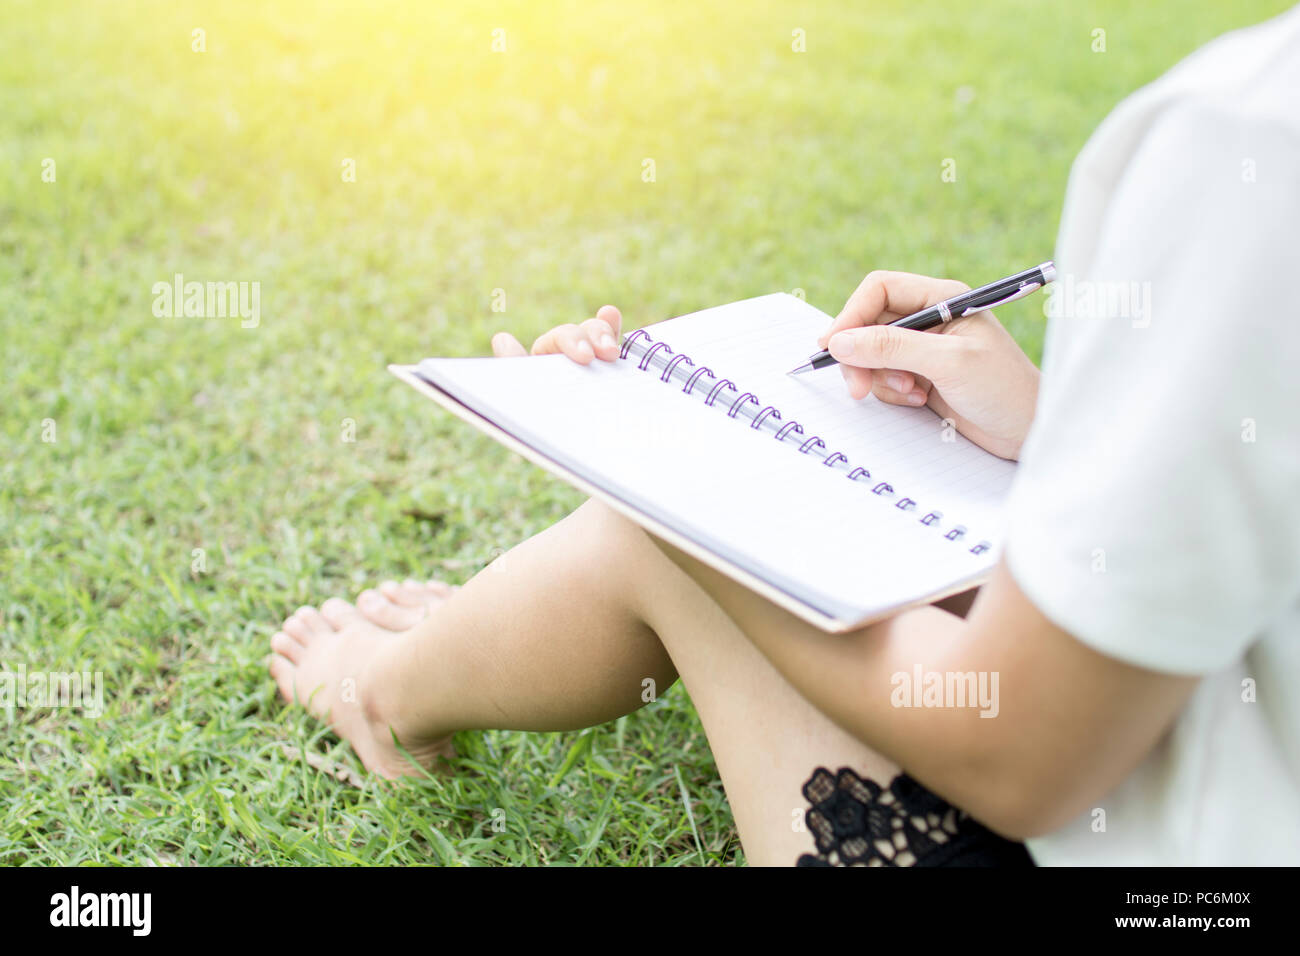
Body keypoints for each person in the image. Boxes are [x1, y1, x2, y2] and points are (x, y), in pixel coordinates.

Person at [268, 6, 1300, 865]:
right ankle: (454, 654)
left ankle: (388, 692)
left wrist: (719, 515)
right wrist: (1046, 430)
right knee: (691, 516)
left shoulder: (1249, 134)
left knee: (666, 526)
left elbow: (1020, 753)